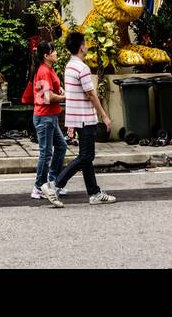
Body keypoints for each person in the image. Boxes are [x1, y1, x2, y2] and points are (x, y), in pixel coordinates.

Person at [53, 31, 116, 205]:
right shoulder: (82, 68)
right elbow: (91, 94)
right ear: (81, 46)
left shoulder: (69, 66)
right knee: (86, 156)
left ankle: (94, 193)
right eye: (86, 43)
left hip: (75, 117)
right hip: (85, 117)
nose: (87, 45)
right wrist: (104, 115)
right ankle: (56, 184)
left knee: (86, 157)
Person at [31, 41, 67, 205]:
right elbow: (47, 97)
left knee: (61, 147)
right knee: (46, 153)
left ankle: (52, 182)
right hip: (44, 117)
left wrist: (59, 92)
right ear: (46, 55)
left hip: (50, 116)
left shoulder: (49, 70)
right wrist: (64, 97)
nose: (56, 53)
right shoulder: (44, 71)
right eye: (53, 51)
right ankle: (39, 187)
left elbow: (52, 91)